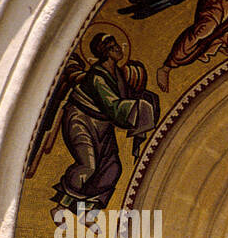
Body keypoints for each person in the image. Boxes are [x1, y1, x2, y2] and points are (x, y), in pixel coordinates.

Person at [51, 33, 158, 211]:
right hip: (81, 120)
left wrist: (146, 99)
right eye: (113, 47)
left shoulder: (117, 74)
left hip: (102, 126)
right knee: (88, 166)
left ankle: (88, 212)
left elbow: (126, 96)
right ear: (106, 52)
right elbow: (113, 107)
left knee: (113, 168)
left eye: (117, 45)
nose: (118, 49)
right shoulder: (97, 77)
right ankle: (61, 207)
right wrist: (139, 108)